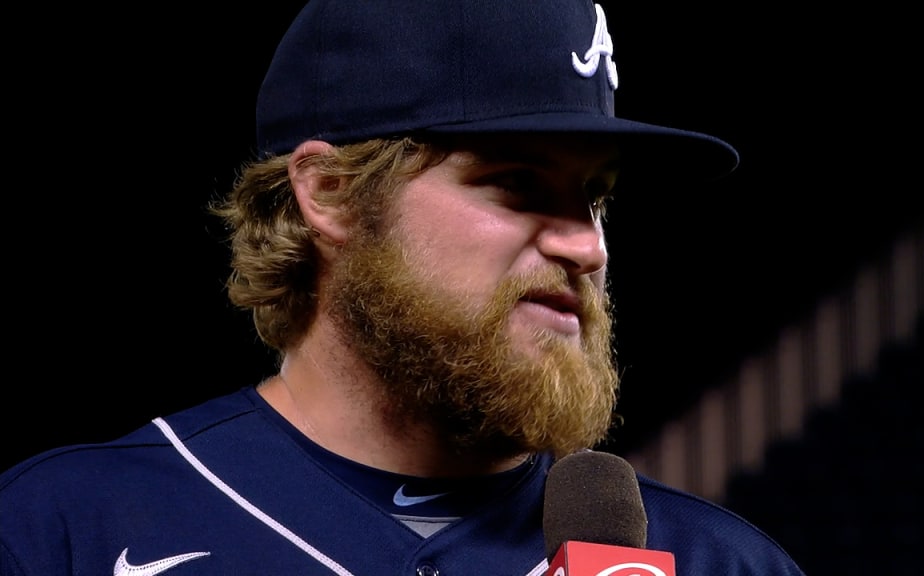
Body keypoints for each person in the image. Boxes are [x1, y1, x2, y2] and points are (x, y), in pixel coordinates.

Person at [0, 2, 805, 575]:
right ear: (331, 194)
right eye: (518, 183)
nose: (585, 244)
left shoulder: (719, 562)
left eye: (595, 197)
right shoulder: (60, 530)